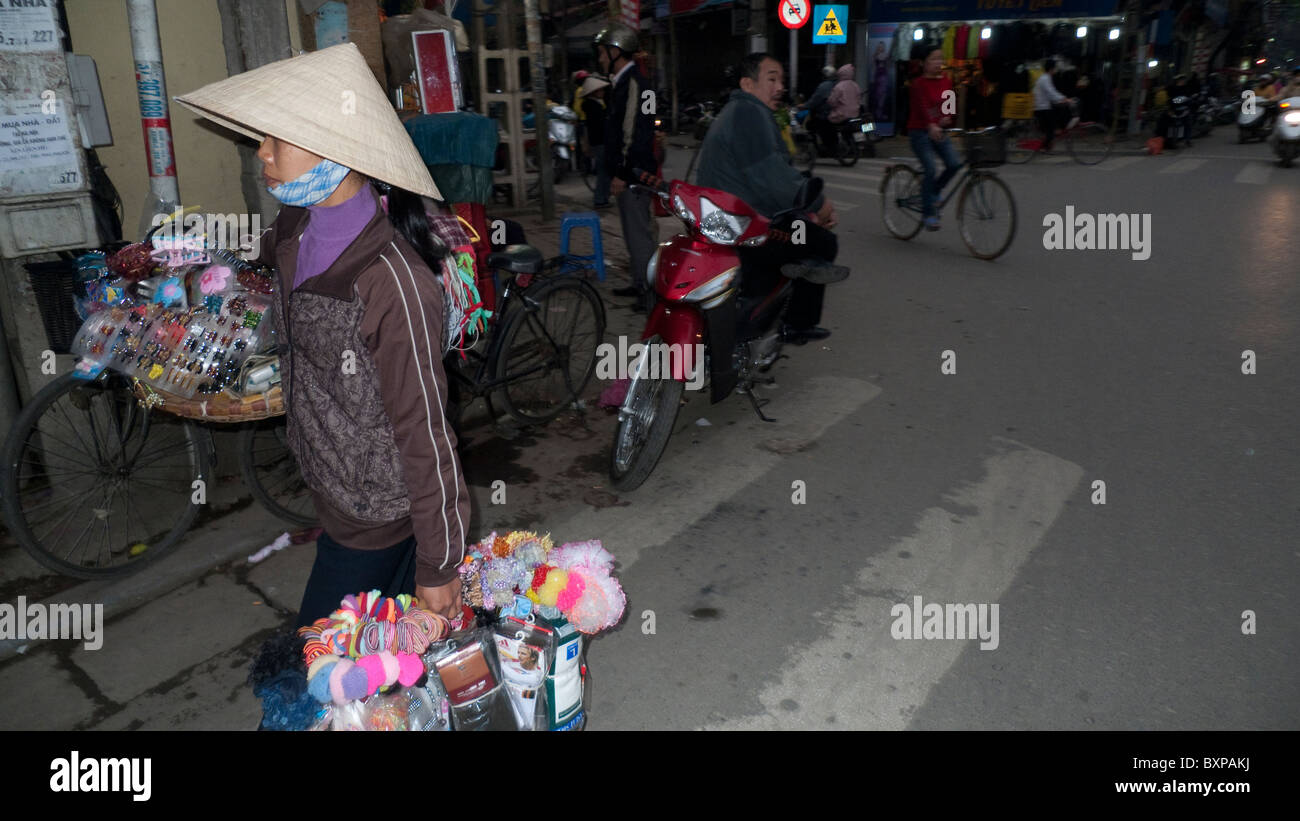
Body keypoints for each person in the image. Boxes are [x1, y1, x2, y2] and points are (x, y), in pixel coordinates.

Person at [175, 44, 470, 629]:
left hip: (375, 514)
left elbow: (425, 433)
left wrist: (441, 565)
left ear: (338, 151)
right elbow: (258, 282)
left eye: (277, 138)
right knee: (383, 678)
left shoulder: (393, 283)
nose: (262, 152)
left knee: (313, 676)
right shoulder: (295, 226)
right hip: (332, 484)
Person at [696, 53, 849, 346]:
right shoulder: (747, 113)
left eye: (781, 80)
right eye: (771, 79)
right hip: (741, 225)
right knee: (821, 242)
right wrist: (819, 205)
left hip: (729, 219)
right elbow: (772, 178)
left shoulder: (739, 111)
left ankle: (761, 323)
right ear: (748, 83)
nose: (780, 86)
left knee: (796, 236)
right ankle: (797, 324)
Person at [594, 23, 659, 313]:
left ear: (616, 51)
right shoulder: (623, 83)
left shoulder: (636, 84)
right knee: (633, 233)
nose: (600, 59)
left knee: (640, 235)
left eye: (603, 53)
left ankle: (649, 293)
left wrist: (621, 173)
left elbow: (635, 133)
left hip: (634, 175)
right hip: (628, 173)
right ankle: (639, 282)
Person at [907, 47, 960, 232]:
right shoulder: (918, 84)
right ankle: (928, 213)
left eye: (940, 59)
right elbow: (921, 108)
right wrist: (931, 124)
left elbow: (950, 103)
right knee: (930, 168)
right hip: (919, 132)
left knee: (954, 164)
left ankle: (934, 191)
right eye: (934, 59)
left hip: (939, 131)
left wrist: (948, 118)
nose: (938, 62)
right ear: (924, 63)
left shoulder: (946, 80)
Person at [581, 75, 612, 208]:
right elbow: (600, 127)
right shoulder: (594, 107)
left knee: (603, 171)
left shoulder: (593, 105)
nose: (603, 92)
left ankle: (603, 197)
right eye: (601, 90)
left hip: (597, 142)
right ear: (595, 92)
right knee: (603, 172)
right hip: (600, 142)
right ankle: (600, 199)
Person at [1033, 58, 1075, 152]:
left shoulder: (1046, 77)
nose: (1056, 70)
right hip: (1041, 107)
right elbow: (1051, 92)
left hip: (1044, 105)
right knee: (1051, 128)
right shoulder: (1045, 79)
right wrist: (1064, 99)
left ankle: (1047, 146)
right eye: (1055, 68)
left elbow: (1052, 93)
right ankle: (1045, 146)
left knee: (1058, 114)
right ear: (1051, 69)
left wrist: (1062, 99)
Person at [800, 65, 837, 154]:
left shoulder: (824, 86)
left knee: (812, 125)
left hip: (827, 114)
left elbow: (815, 100)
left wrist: (805, 106)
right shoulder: (840, 84)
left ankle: (825, 147)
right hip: (842, 113)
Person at [827, 63, 863, 128]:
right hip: (855, 115)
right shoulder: (855, 85)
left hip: (841, 116)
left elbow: (832, 102)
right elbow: (859, 100)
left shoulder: (839, 86)